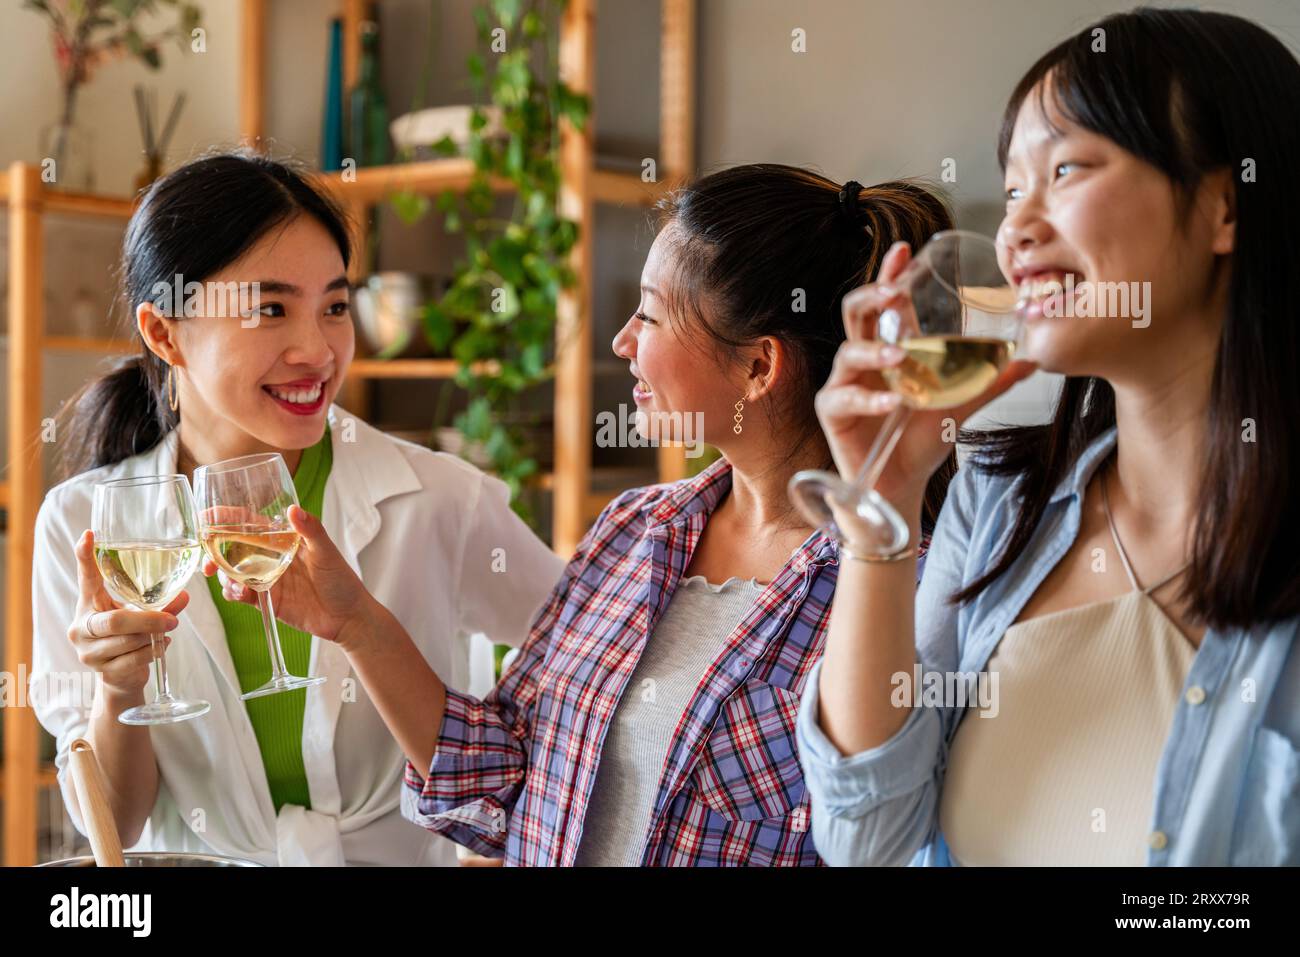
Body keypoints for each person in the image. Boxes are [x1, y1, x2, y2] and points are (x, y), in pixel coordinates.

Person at [211, 162, 956, 865]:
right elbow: (498, 784)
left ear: (758, 367)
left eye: (652, 317)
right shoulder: (635, 530)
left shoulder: (896, 588)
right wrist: (357, 624)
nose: (622, 341)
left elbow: (877, 832)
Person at [798, 7, 1300, 866]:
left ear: (1225, 205)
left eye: (1066, 168)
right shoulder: (997, 504)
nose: (1015, 231)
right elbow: (865, 839)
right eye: (1013, 185)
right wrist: (879, 508)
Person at [30, 151, 563, 866]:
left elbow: (599, 666)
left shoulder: (438, 498)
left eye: (335, 307)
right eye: (270, 309)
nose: (317, 351)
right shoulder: (84, 525)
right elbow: (116, 828)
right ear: (163, 333)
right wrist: (118, 687)